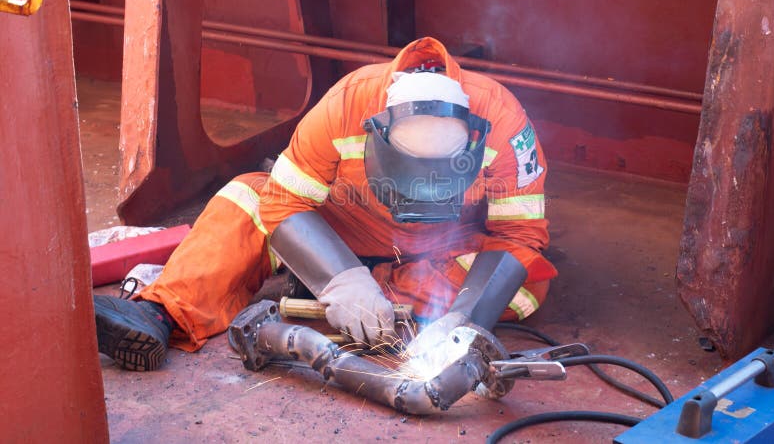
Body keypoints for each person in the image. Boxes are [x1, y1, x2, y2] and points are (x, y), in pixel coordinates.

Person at [94, 37, 557, 371]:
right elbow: (282, 201)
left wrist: (465, 321)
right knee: (250, 196)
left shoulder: (503, 120)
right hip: (343, 233)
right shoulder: (345, 105)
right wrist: (341, 277)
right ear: (378, 136)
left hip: (441, 251)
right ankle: (163, 312)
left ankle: (385, 309)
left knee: (525, 281)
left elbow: (520, 237)